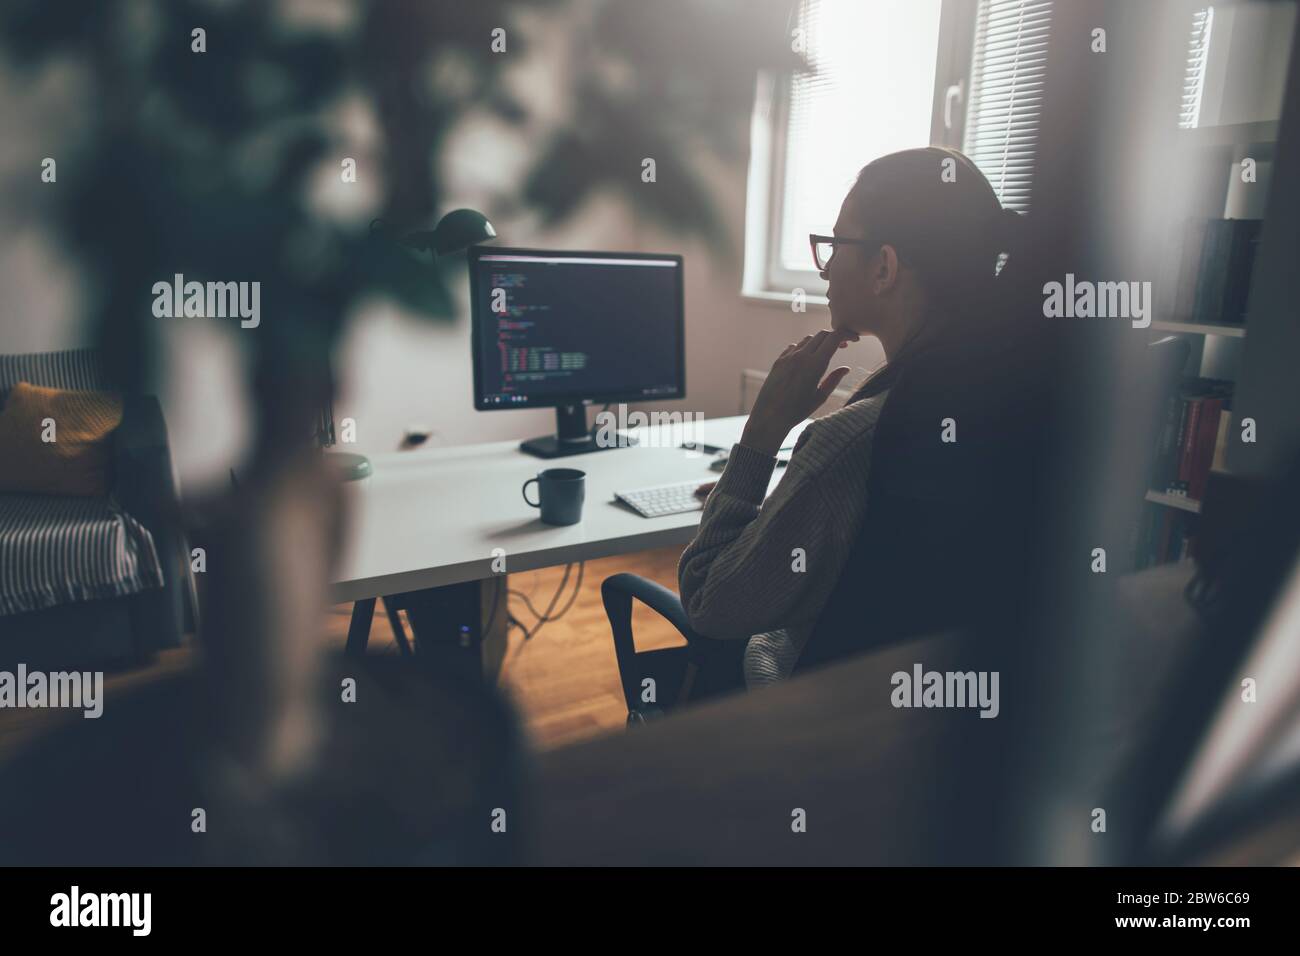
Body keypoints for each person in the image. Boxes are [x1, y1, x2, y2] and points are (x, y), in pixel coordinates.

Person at [678, 146, 1041, 687]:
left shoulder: (849, 441)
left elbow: (709, 599)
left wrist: (761, 436)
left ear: (883, 268)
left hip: (811, 719)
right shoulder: (1017, 398)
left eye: (835, 245)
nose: (824, 269)